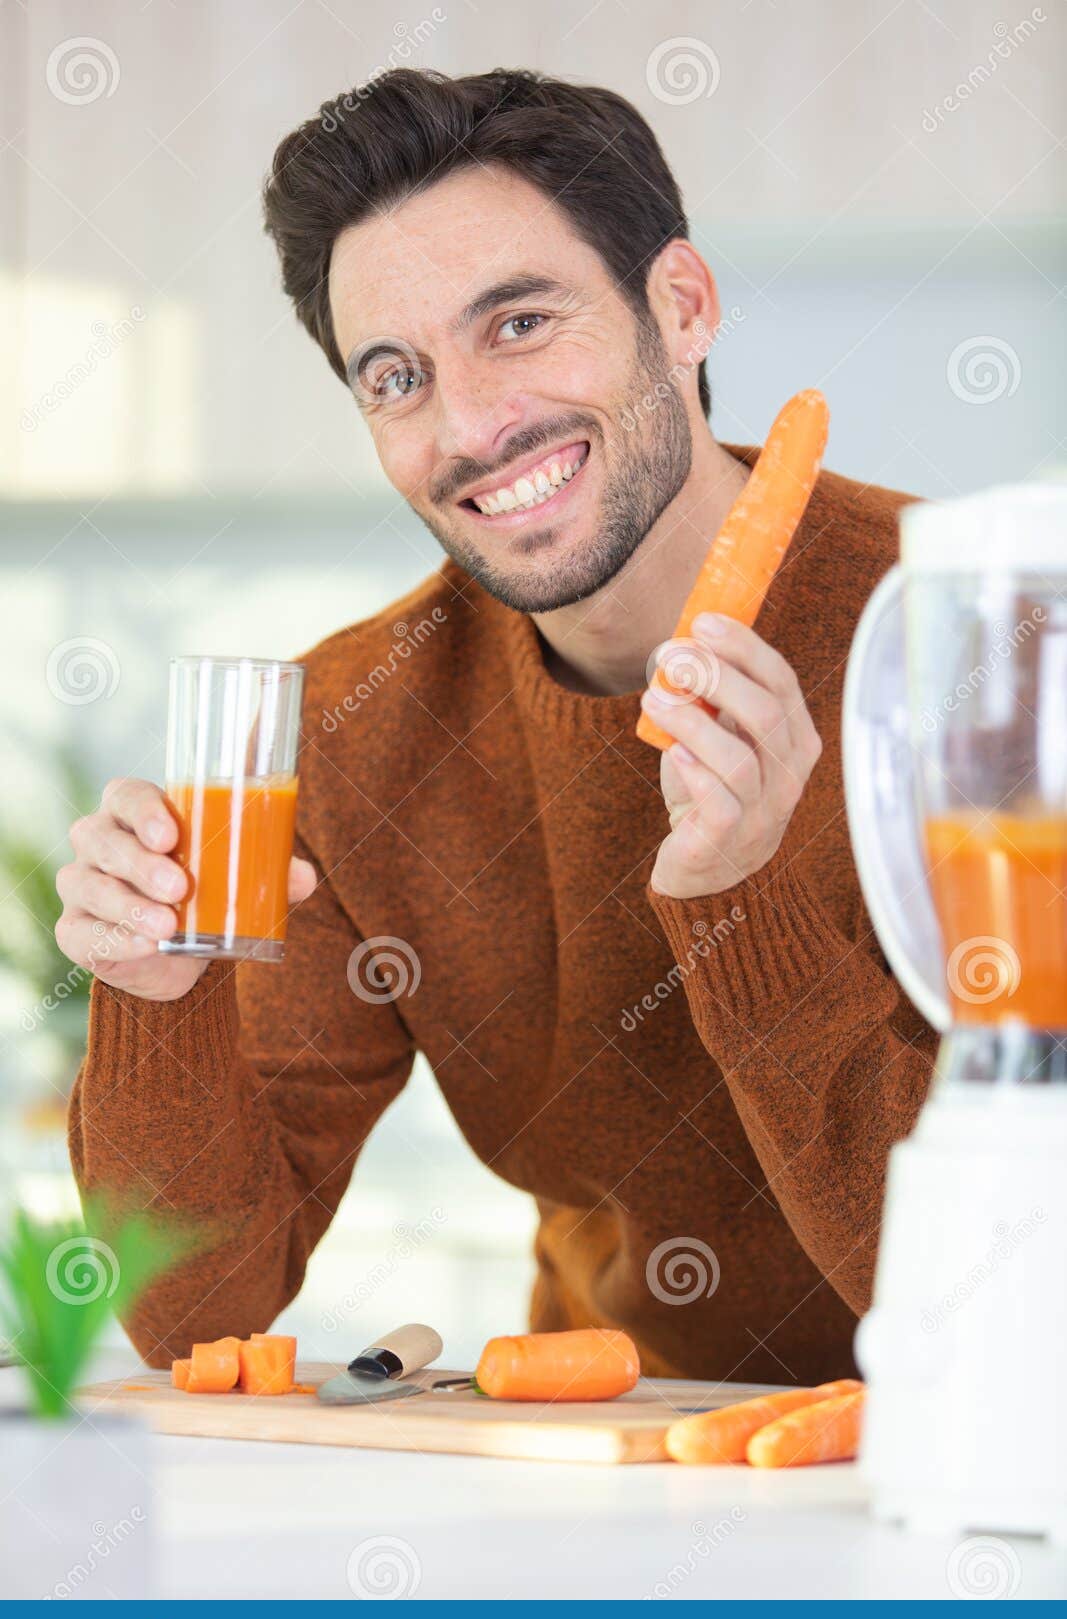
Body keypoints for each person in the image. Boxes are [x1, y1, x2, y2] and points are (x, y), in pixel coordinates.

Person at [56, 69, 935, 1382]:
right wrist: (152, 994)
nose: (468, 425)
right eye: (395, 377)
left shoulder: (997, 642)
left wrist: (748, 906)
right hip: (601, 1441)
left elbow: (998, 1297)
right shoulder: (353, 731)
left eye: (520, 323)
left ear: (681, 306)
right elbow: (193, 1315)